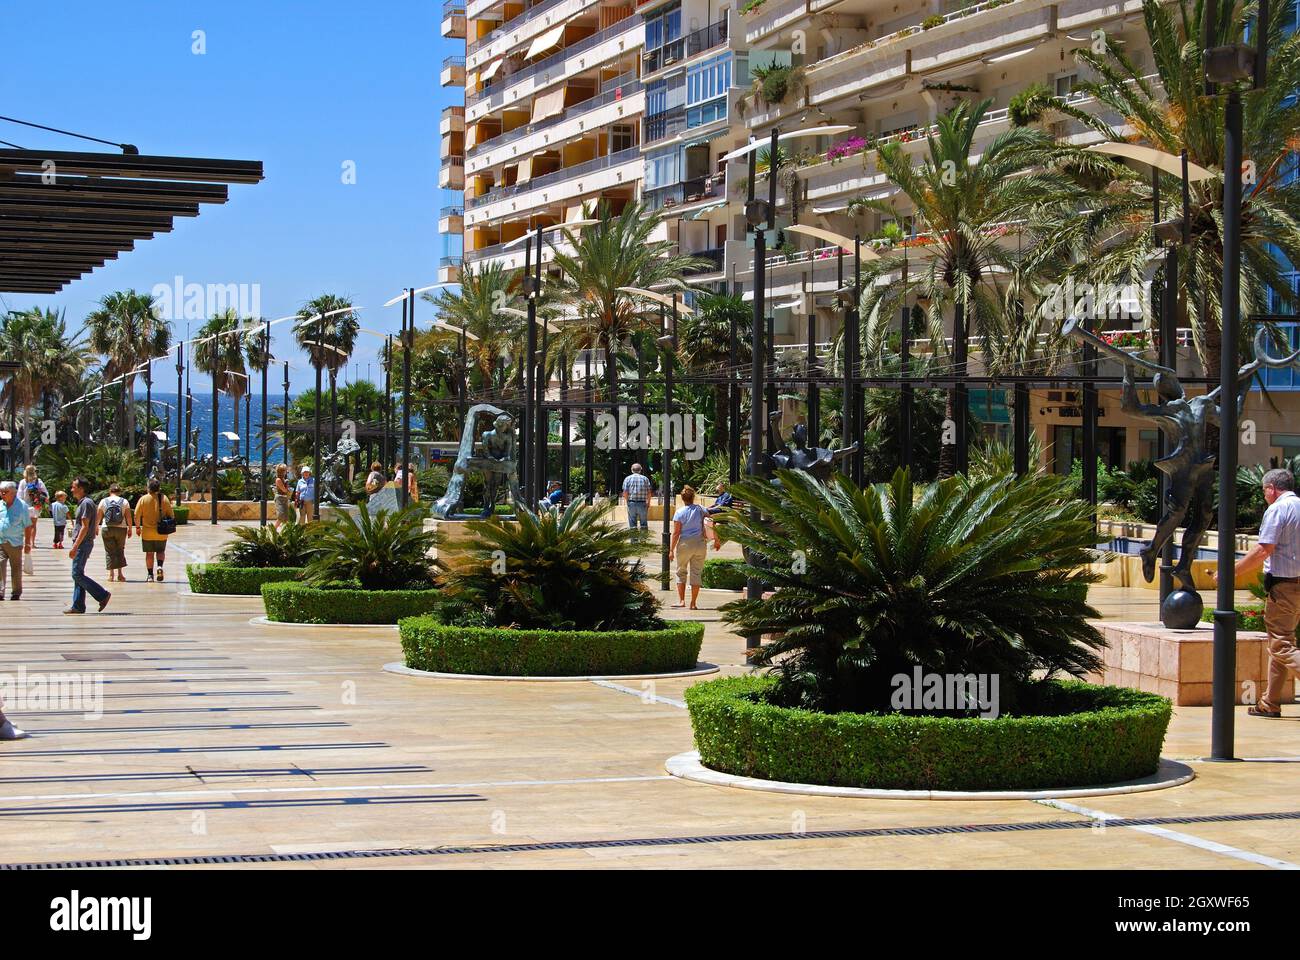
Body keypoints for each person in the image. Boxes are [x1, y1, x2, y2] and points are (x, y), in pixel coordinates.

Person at [1216, 468, 1300, 718]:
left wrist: (1229, 573)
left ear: (1272, 488)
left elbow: (1264, 549)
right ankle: (1269, 702)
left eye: (1264, 491)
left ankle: (1270, 702)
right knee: (1282, 642)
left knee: (1281, 644)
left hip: (1284, 585)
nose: (1264, 496)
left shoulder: (1277, 509)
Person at [668, 485, 721, 610]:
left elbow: (676, 533)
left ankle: (682, 601)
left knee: (681, 571)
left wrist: (671, 549)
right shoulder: (701, 509)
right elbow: (711, 524)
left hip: (685, 544)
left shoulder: (679, 512)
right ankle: (693, 603)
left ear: (682, 498)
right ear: (693, 497)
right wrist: (717, 540)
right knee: (696, 573)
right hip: (700, 544)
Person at [65, 477, 110, 615]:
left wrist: (75, 546)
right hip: (83, 543)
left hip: (82, 544)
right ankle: (78, 606)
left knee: (76, 574)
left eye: (73, 487)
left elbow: (84, 527)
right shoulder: (86, 502)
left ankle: (102, 595)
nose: (71, 489)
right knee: (78, 574)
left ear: (81, 488)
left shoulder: (86, 503)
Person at [134, 477, 175, 583]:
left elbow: (136, 515)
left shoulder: (143, 499)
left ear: (148, 487)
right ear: (159, 488)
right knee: (161, 551)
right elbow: (171, 515)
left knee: (149, 553)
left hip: (147, 532)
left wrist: (138, 527)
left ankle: (150, 575)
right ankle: (159, 566)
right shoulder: (164, 498)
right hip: (161, 532)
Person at [0, 481, 31, 600]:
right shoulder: (0, 505)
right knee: (0, 566)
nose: (2, 494)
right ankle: (0, 591)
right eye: (1, 491)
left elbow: (28, 525)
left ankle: (16, 592)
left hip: (15, 542)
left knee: (16, 568)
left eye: (5, 492)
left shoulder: (22, 506)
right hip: (1, 541)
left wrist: (28, 543)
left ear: (13, 493)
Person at [97, 482, 133, 583]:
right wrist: (130, 528)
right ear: (119, 492)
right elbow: (128, 516)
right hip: (121, 528)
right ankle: (120, 575)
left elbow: (98, 515)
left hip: (107, 528)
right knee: (120, 550)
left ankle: (111, 575)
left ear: (110, 491)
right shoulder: (124, 501)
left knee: (109, 551)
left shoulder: (103, 501)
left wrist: (96, 527)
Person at [16, 464, 47, 554]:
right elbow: (45, 494)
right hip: (35, 506)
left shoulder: (23, 482)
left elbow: (19, 496)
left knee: (24, 526)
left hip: (25, 507)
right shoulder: (38, 481)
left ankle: (26, 542)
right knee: (33, 525)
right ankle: (32, 543)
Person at [622, 463, 653, 539]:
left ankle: (634, 542)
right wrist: (648, 502)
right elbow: (649, 492)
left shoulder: (627, 479)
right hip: (642, 503)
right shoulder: (645, 479)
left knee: (632, 524)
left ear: (632, 470)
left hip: (632, 502)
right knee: (644, 524)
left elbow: (625, 492)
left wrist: (627, 501)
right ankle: (643, 541)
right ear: (640, 470)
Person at [273, 464, 291, 529]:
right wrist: (288, 490)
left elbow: (286, 489)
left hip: (284, 498)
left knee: (286, 516)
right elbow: (284, 490)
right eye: (284, 470)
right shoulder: (278, 480)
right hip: (280, 498)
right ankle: (274, 529)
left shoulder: (283, 479)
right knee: (281, 515)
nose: (286, 471)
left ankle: (286, 530)